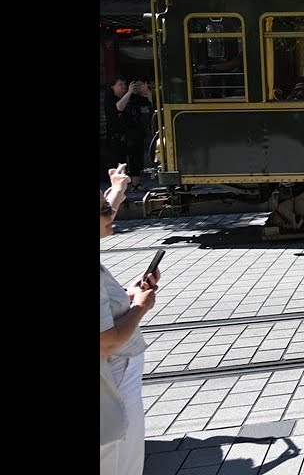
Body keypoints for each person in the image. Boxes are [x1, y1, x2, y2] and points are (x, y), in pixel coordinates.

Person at [100, 163, 161, 474]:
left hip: (117, 371)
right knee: (123, 457)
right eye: (104, 210)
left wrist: (119, 189)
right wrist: (140, 306)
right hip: (116, 373)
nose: (111, 214)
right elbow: (106, 342)